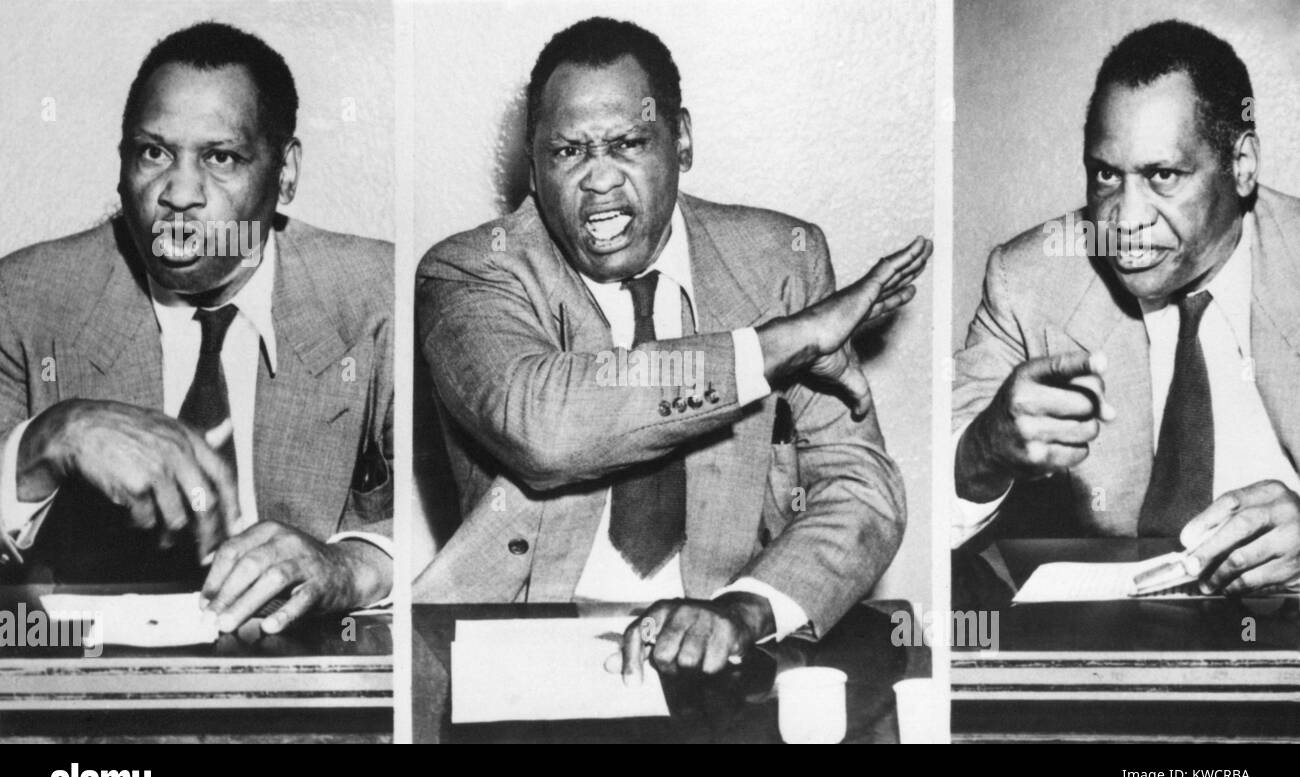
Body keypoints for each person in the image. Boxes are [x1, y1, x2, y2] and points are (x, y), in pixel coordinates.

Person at [416, 17, 928, 682]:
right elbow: (545, 428)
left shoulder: (782, 262)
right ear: (534, 167)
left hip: (724, 653)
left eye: (628, 144)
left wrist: (747, 609)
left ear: (681, 140)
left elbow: (861, 488)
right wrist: (771, 350)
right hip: (518, 657)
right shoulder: (469, 271)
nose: (599, 182)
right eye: (568, 153)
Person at [0, 22, 394, 633]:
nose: (179, 192)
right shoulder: (26, 298)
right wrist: (39, 447)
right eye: (153, 152)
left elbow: (457, 528)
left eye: (221, 157)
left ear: (285, 173)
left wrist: (352, 565)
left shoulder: (377, 298)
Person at [953, 20, 1300, 595]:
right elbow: (921, 499)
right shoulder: (1030, 279)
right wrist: (981, 452)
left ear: (1242, 165)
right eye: (1107, 176)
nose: (1125, 220)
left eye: (1163, 176)